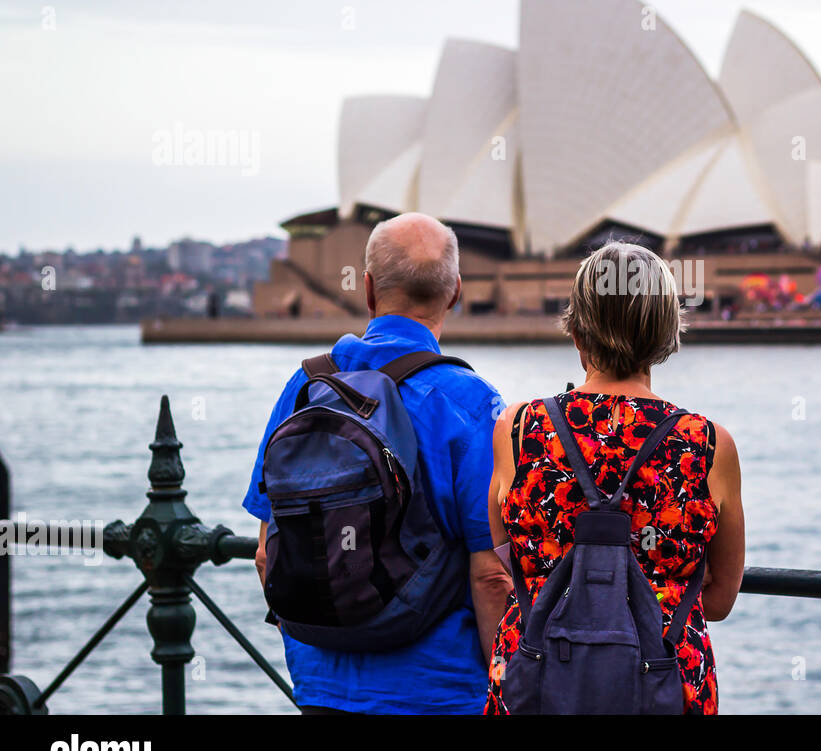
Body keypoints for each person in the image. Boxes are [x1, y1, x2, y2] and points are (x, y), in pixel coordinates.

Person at [244, 213, 512, 714]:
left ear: (367, 289)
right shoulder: (473, 403)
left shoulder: (304, 388)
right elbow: (491, 575)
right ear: (455, 292)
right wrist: (504, 685)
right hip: (439, 691)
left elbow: (266, 554)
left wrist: (318, 646)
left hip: (320, 688)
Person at [485, 241, 745, 714]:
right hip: (664, 683)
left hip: (537, 678)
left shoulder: (519, 428)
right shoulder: (707, 445)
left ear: (577, 332)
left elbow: (507, 557)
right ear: (666, 333)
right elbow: (723, 596)